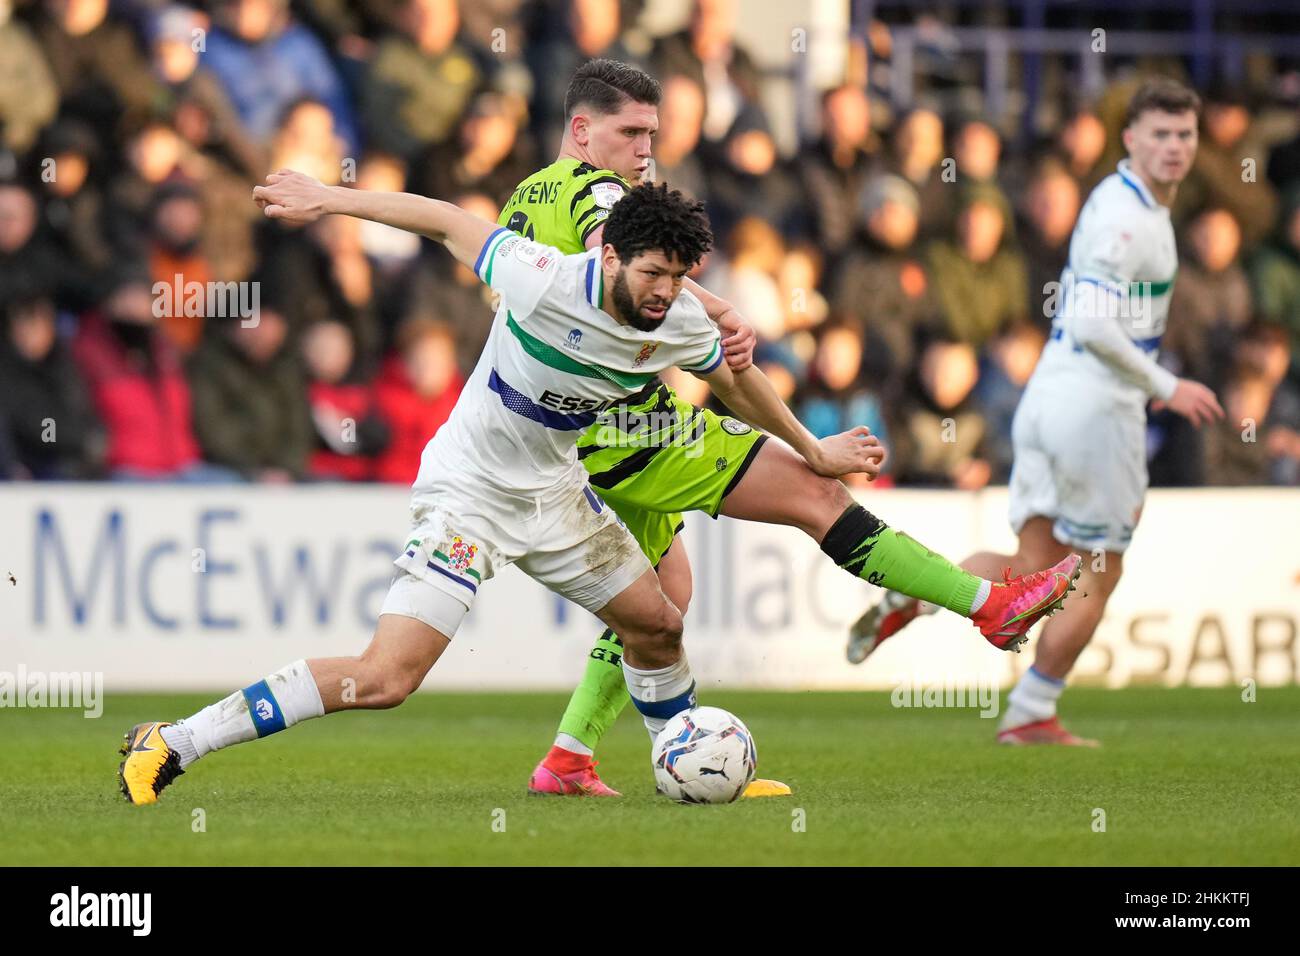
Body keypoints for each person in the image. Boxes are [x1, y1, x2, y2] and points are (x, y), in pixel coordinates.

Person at [117, 174, 1079, 805]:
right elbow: (449, 219)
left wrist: (813, 448)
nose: (665, 293)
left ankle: (672, 761)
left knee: (659, 621)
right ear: (610, 256)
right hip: (470, 495)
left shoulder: (679, 322)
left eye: (680, 277)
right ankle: (178, 740)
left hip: (557, 495)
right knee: (387, 680)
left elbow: (738, 379)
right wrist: (327, 197)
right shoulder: (540, 278)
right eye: (653, 273)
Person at [494, 59, 1081, 799]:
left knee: (665, 596)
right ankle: (990, 607)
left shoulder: (524, 195)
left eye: (653, 130)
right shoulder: (599, 192)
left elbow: (533, 290)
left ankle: (568, 759)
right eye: (630, 131)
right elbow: (618, 262)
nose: (647, 148)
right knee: (816, 491)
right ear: (581, 130)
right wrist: (730, 332)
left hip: (579, 431)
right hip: (634, 432)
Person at [847, 79, 1225, 746]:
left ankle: (916, 592)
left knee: (1034, 566)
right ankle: (1032, 711)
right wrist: (1167, 385)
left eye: (1184, 135)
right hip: (1093, 410)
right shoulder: (1126, 216)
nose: (1173, 147)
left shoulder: (1128, 204)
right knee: (1100, 568)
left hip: (1052, 398)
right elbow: (1090, 320)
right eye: (1159, 134)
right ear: (1130, 139)